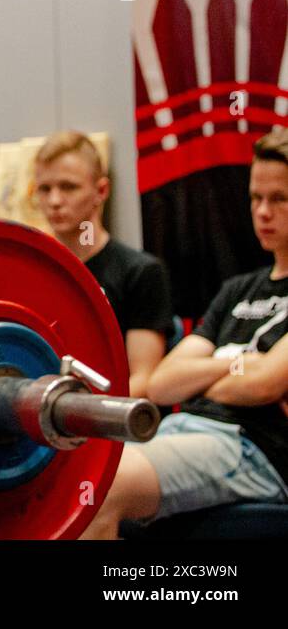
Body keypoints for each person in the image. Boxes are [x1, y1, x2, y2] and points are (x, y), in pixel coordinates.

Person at [81, 127, 288, 538]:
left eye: (280, 199)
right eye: (255, 198)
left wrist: (210, 371)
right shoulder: (238, 289)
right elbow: (162, 385)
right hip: (183, 428)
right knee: (62, 471)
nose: (262, 212)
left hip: (253, 447)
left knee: (97, 490)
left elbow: (263, 385)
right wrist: (237, 362)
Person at [32, 131, 173, 396]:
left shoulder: (140, 272)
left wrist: (89, 418)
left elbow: (144, 380)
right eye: (45, 189)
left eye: (68, 187)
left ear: (101, 191)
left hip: (111, 420)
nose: (54, 201)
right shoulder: (34, 272)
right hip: (44, 411)